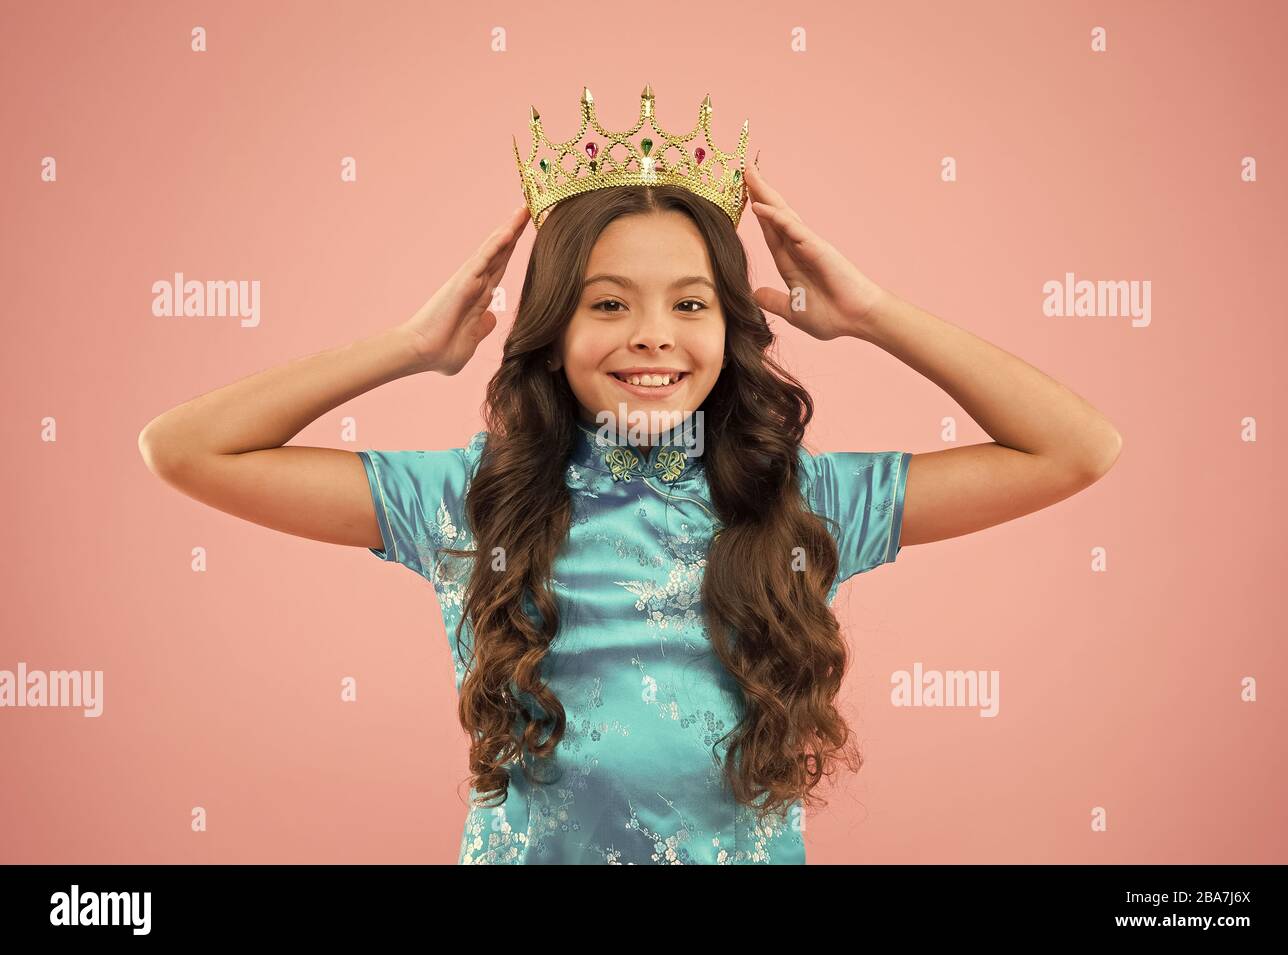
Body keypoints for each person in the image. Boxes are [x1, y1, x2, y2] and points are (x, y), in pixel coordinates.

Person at [139, 150, 1121, 866]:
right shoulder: (468, 500)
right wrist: (406, 346)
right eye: (608, 303)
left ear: (729, 328)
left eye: (690, 304)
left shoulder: (799, 502)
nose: (653, 336)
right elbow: (183, 448)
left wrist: (872, 314)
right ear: (551, 326)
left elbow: (1076, 448)